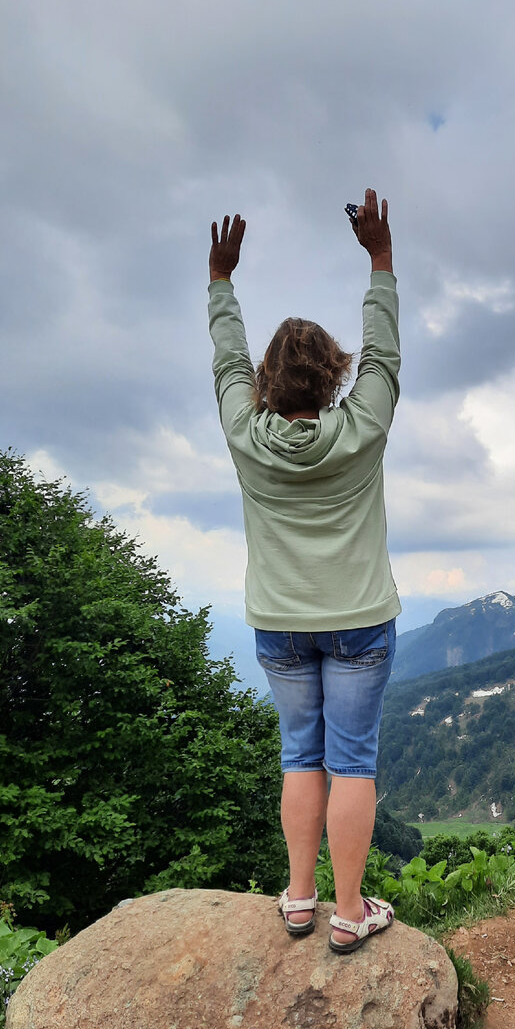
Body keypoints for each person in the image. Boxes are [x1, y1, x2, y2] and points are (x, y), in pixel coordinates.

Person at [207, 189, 400, 954]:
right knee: (352, 761)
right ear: (333, 379)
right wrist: (380, 259)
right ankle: (350, 913)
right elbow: (384, 355)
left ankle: (298, 899)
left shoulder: (242, 433)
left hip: (278, 625)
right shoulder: (364, 427)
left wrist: (222, 282)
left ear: (264, 383)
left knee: (300, 754)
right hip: (358, 618)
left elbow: (225, 361)